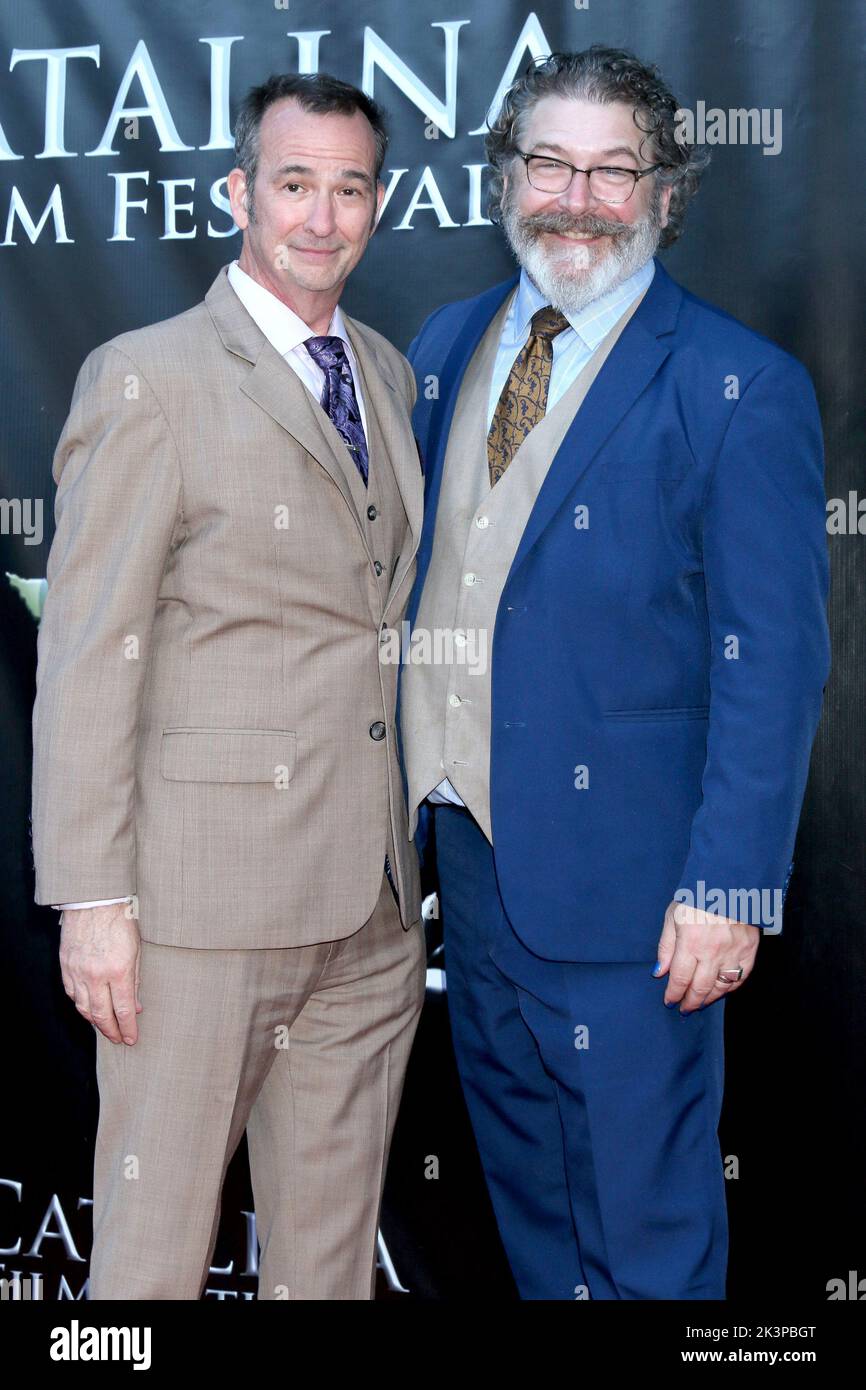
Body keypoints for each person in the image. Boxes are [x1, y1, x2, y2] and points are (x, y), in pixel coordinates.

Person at [399, 46, 830, 1299]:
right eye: (547, 162)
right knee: (534, 1210)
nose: (573, 198)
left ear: (661, 191)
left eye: (609, 170)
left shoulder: (735, 385)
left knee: (647, 1237)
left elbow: (776, 659)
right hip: (472, 871)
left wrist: (729, 887)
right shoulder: (447, 340)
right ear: (504, 175)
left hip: (640, 900)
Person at [31, 72, 426, 1300]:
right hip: (196, 916)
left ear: (377, 204)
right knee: (145, 1274)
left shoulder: (387, 373)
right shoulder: (147, 377)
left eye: (347, 187)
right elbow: (90, 647)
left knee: (328, 1267)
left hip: (366, 914)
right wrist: (93, 899)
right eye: (293, 182)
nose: (320, 215)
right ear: (238, 193)